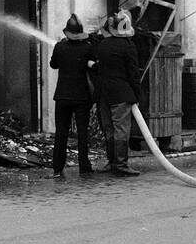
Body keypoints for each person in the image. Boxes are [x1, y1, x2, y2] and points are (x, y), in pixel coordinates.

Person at [94, 9, 142, 177]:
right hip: (121, 93)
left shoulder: (103, 45)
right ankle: (121, 164)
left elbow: (99, 69)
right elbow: (133, 73)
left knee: (108, 128)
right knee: (121, 129)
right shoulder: (129, 46)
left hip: (103, 93)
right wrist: (136, 95)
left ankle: (111, 161)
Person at [49, 13, 96, 178]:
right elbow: (93, 66)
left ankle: (57, 168)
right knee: (83, 132)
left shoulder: (59, 47)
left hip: (62, 96)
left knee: (61, 132)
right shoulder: (88, 48)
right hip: (81, 96)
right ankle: (84, 166)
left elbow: (53, 65)